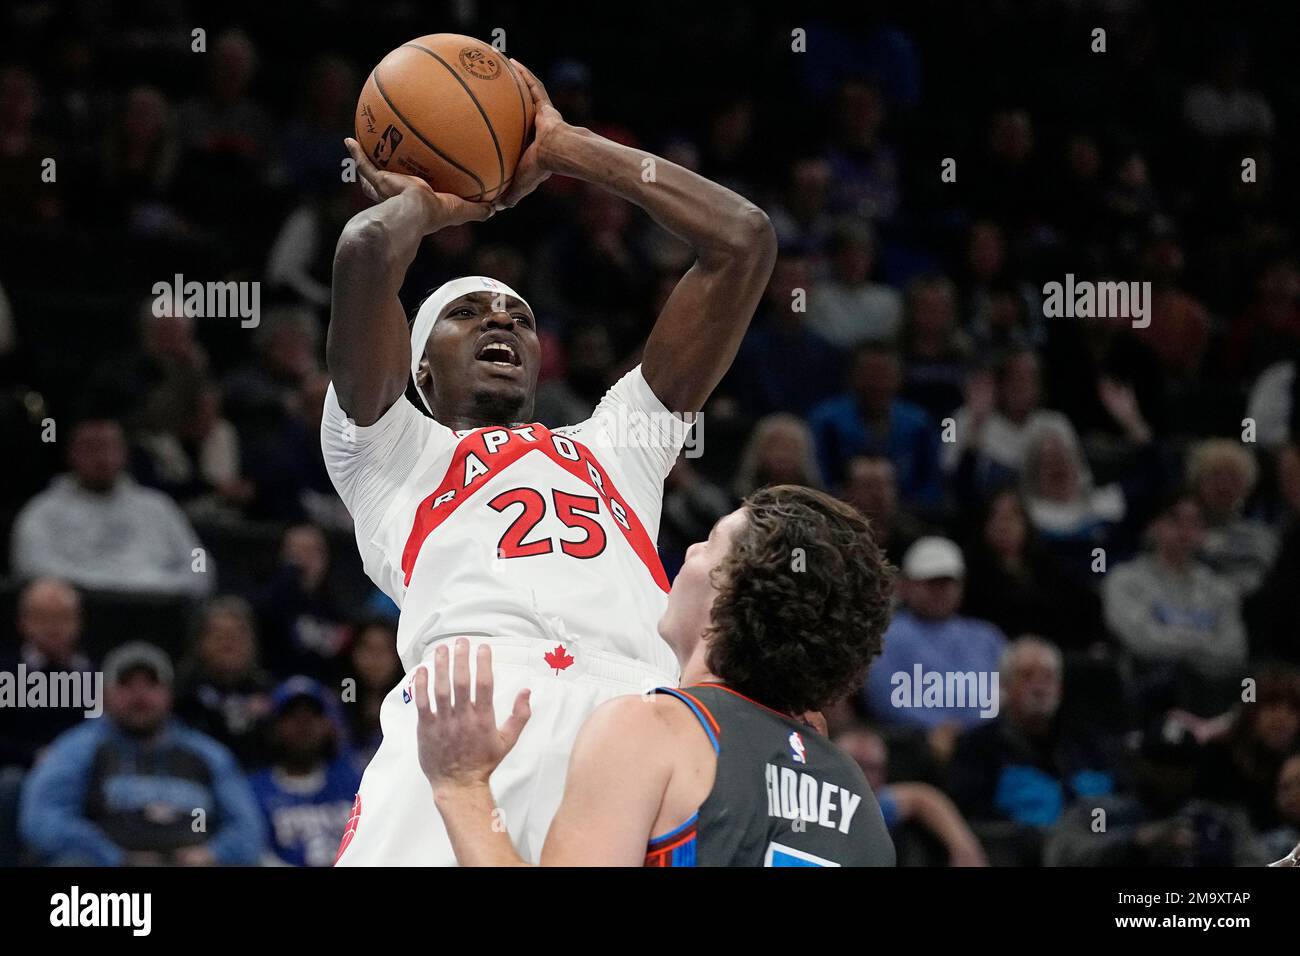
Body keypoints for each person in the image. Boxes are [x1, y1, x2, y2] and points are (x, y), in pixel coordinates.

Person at [324, 60, 776, 865]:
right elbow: (364, 251)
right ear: (420, 369)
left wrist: (567, 147)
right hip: (466, 708)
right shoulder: (388, 450)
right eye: (467, 312)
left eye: (518, 316)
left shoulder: (616, 446)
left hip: (632, 725)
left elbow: (742, 241)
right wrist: (427, 204)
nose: (501, 320)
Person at [414, 485, 896, 866]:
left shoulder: (651, 729)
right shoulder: (856, 793)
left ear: (726, 593)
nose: (688, 551)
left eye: (709, 543)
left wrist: (462, 786)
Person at [18, 642, 265, 866]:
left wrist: (213, 854)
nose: (140, 694)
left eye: (151, 683)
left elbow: (247, 829)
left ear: (169, 693)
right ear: (105, 693)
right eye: (126, 684)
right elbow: (43, 819)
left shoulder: (208, 754)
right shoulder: (77, 749)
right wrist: (114, 856)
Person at [11, 417, 212, 598]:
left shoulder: (158, 507)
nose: (101, 457)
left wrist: (170, 585)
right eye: (91, 448)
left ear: (124, 453)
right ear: (71, 454)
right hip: (79, 609)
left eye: (109, 447)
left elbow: (199, 559)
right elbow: (31, 565)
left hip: (153, 607)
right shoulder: (42, 511)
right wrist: (99, 586)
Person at [861, 537, 1007, 749]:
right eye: (931, 583)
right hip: (915, 742)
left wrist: (973, 729)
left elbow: (1007, 691)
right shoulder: (887, 636)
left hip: (987, 740)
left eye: (947, 583)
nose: (940, 591)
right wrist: (937, 727)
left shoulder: (986, 636)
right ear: (906, 586)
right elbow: (885, 699)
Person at [247, 677, 361, 867]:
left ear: (327, 725)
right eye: (292, 717)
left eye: (311, 717)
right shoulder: (254, 790)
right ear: (274, 727)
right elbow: (253, 851)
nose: (303, 726)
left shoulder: (354, 783)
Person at [836, 726, 987, 867]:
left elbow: (922, 797)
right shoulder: (821, 803)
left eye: (874, 768)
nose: (865, 776)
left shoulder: (875, 806)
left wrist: (964, 848)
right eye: (857, 765)